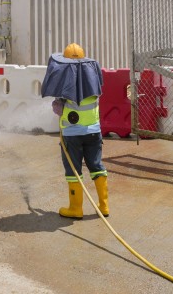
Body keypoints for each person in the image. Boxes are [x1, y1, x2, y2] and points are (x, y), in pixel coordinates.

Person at [47, 43, 109, 219]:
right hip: (94, 133)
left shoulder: (64, 85)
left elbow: (60, 110)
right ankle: (104, 206)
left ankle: (76, 209)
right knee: (96, 167)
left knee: (73, 170)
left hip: (72, 136)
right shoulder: (93, 81)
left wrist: (58, 105)